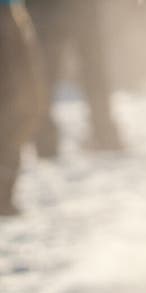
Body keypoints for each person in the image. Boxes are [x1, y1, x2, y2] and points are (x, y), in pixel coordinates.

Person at [26, 0, 123, 157]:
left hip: (50, 11)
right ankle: (104, 133)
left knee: (46, 75)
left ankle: (46, 142)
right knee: (91, 69)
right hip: (75, 8)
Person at [0, 0, 44, 215]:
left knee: (23, 104)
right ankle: (3, 195)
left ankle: (5, 194)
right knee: (17, 103)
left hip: (11, 12)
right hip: (7, 15)